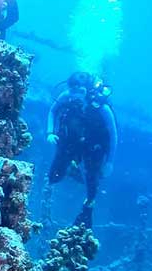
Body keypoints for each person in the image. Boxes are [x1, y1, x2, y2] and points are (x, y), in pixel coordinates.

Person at [45, 72, 118, 228]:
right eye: (72, 91)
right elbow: (53, 111)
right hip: (73, 142)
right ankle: (72, 166)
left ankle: (87, 209)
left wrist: (110, 162)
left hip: (93, 146)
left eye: (80, 91)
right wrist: (50, 132)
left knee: (92, 179)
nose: (75, 96)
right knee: (54, 176)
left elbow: (113, 134)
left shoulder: (102, 106)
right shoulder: (67, 95)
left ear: (87, 90)